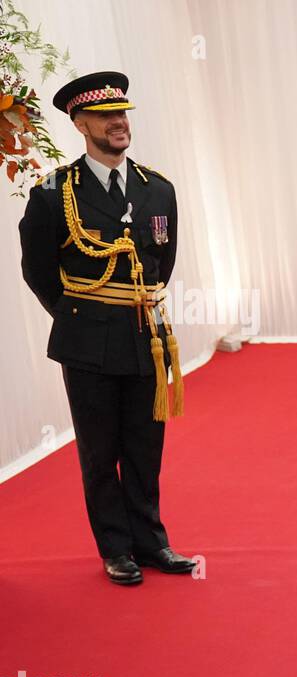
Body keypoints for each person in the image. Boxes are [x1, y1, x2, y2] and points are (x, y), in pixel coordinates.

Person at [17, 71, 195, 586]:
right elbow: (39, 271)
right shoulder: (54, 194)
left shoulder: (157, 189)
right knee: (100, 450)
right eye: (105, 116)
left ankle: (151, 541)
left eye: (123, 114)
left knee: (145, 444)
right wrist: (83, 318)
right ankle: (115, 548)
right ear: (80, 123)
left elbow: (164, 264)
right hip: (88, 342)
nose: (119, 123)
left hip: (145, 336)